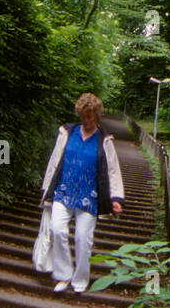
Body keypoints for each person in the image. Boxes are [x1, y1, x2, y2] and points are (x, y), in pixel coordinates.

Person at [38, 92, 125, 293]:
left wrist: (116, 198)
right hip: (63, 192)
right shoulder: (67, 133)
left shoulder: (104, 140)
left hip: (89, 197)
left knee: (82, 238)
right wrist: (46, 188)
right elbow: (54, 161)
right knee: (57, 229)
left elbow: (113, 169)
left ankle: (80, 280)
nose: (86, 120)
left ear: (96, 116)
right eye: (84, 116)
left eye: (90, 116)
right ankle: (63, 274)